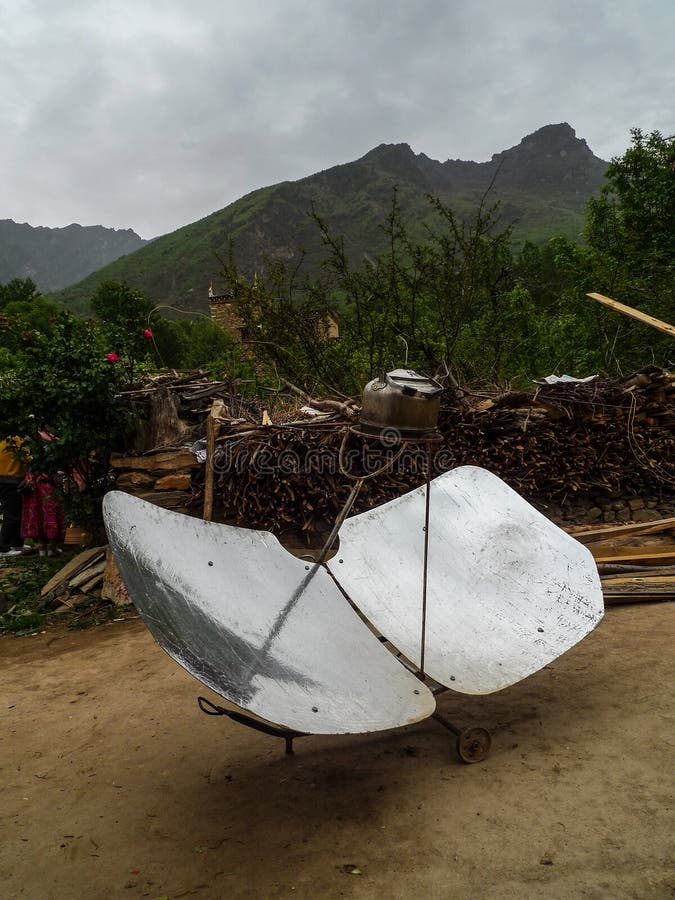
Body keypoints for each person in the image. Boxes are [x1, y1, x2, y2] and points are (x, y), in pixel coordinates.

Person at [0, 437, 28, 556]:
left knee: (18, 513)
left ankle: (16, 543)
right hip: (11, 481)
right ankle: (3, 547)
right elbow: (26, 457)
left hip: (7, 480)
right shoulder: (15, 440)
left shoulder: (5, 440)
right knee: (12, 515)